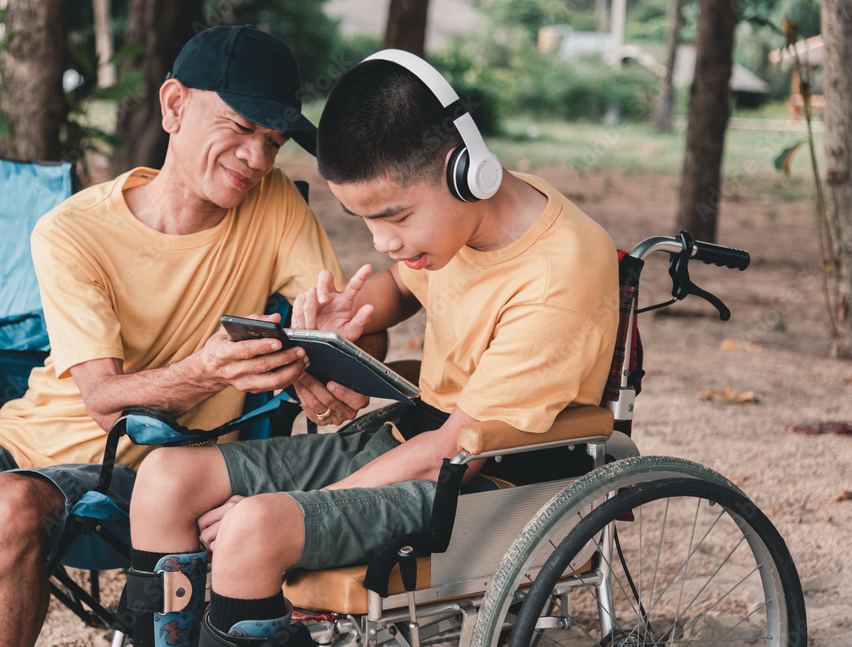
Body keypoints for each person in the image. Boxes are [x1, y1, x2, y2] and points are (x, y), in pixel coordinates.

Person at [0, 25, 347, 647]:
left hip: (148, 472)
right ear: (174, 106)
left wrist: (338, 343)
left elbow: (335, 321)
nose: (258, 157)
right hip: (22, 439)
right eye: (241, 127)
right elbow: (102, 397)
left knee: (4, 508)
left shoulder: (273, 204)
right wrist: (213, 369)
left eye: (273, 141)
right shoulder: (74, 229)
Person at [127, 50, 619, 647]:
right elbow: (403, 288)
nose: (384, 242)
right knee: (164, 479)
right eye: (364, 220)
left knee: (254, 529)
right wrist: (348, 320)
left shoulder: (555, 275)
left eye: (396, 216)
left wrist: (296, 504)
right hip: (413, 445)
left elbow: (449, 452)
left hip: (486, 483)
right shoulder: (466, 220)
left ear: (467, 169)